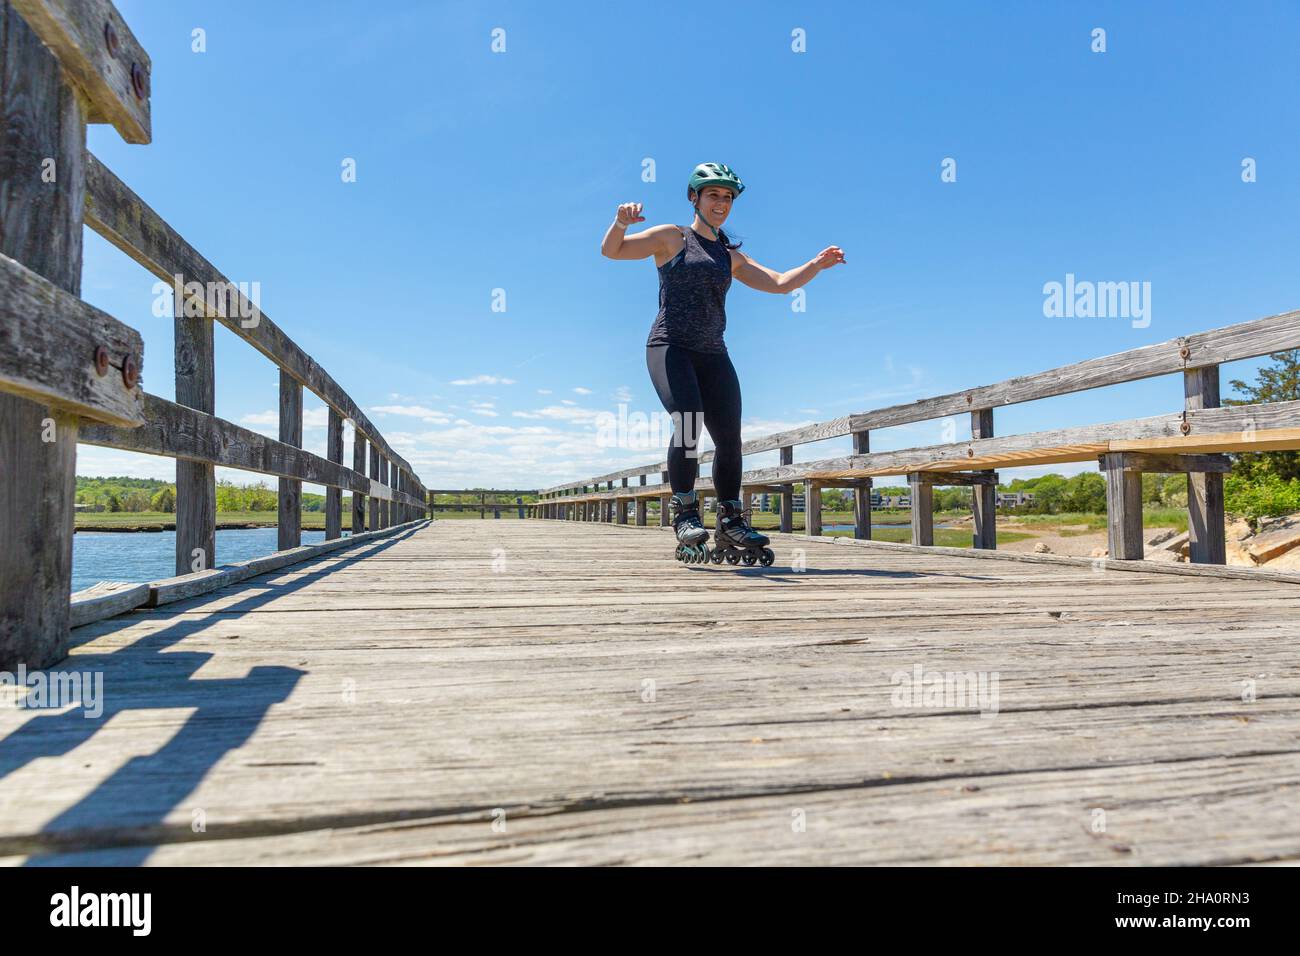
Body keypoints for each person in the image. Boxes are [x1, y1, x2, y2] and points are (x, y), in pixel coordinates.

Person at [600, 162, 846, 564]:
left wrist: (816, 265)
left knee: (729, 439)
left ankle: (731, 519)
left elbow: (780, 283)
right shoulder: (671, 238)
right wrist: (620, 223)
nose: (721, 202)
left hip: (714, 352)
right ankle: (685, 513)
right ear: (694, 198)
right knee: (689, 422)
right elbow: (613, 251)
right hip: (670, 347)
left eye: (728, 196)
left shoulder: (727, 254)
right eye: (713, 194)